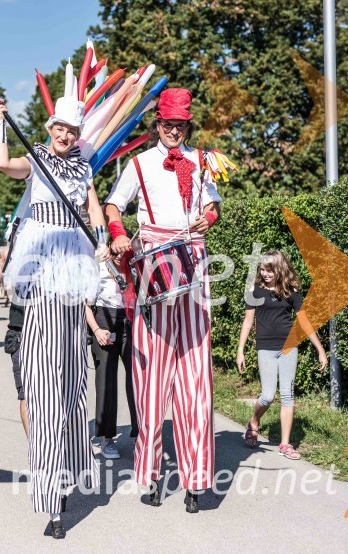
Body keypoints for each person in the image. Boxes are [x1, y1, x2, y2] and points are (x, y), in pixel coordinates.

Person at [0, 91, 109, 538]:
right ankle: (50, 489)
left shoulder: (83, 167)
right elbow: (4, 165)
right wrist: (1, 120)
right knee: (43, 381)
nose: (64, 135)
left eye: (71, 130)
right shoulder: (37, 157)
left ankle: (72, 465)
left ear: (78, 135)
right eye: (59, 127)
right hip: (40, 264)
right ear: (50, 129)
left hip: (74, 266)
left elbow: (93, 207)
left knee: (73, 376)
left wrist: (100, 237)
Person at [104, 88, 221, 513]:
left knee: (195, 386)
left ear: (187, 126)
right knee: (152, 382)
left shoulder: (202, 162)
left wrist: (206, 218)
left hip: (193, 264)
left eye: (181, 125)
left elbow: (214, 208)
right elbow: (114, 205)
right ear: (157, 126)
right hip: (155, 267)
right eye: (167, 124)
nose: (174, 130)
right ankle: (150, 476)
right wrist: (118, 236)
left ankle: (195, 481)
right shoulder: (138, 164)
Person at [237, 250, 327, 459]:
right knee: (268, 395)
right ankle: (254, 421)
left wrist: (320, 349)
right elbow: (248, 322)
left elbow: (304, 322)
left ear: (280, 270)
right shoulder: (255, 291)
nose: (265, 273)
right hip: (265, 348)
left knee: (287, 395)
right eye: (262, 269)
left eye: (270, 270)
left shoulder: (290, 291)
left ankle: (285, 445)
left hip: (288, 347)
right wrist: (240, 350)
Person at [85, 253, 139, 460]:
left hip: (128, 321)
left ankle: (138, 435)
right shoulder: (98, 269)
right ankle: (107, 437)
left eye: (122, 253)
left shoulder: (133, 268)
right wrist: (97, 330)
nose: (119, 257)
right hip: (103, 321)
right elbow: (86, 306)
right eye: (115, 252)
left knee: (136, 380)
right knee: (105, 381)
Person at [4, 300, 28, 436]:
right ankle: (34, 447)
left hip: (46, 339)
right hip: (20, 336)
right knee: (25, 395)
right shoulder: (21, 279)